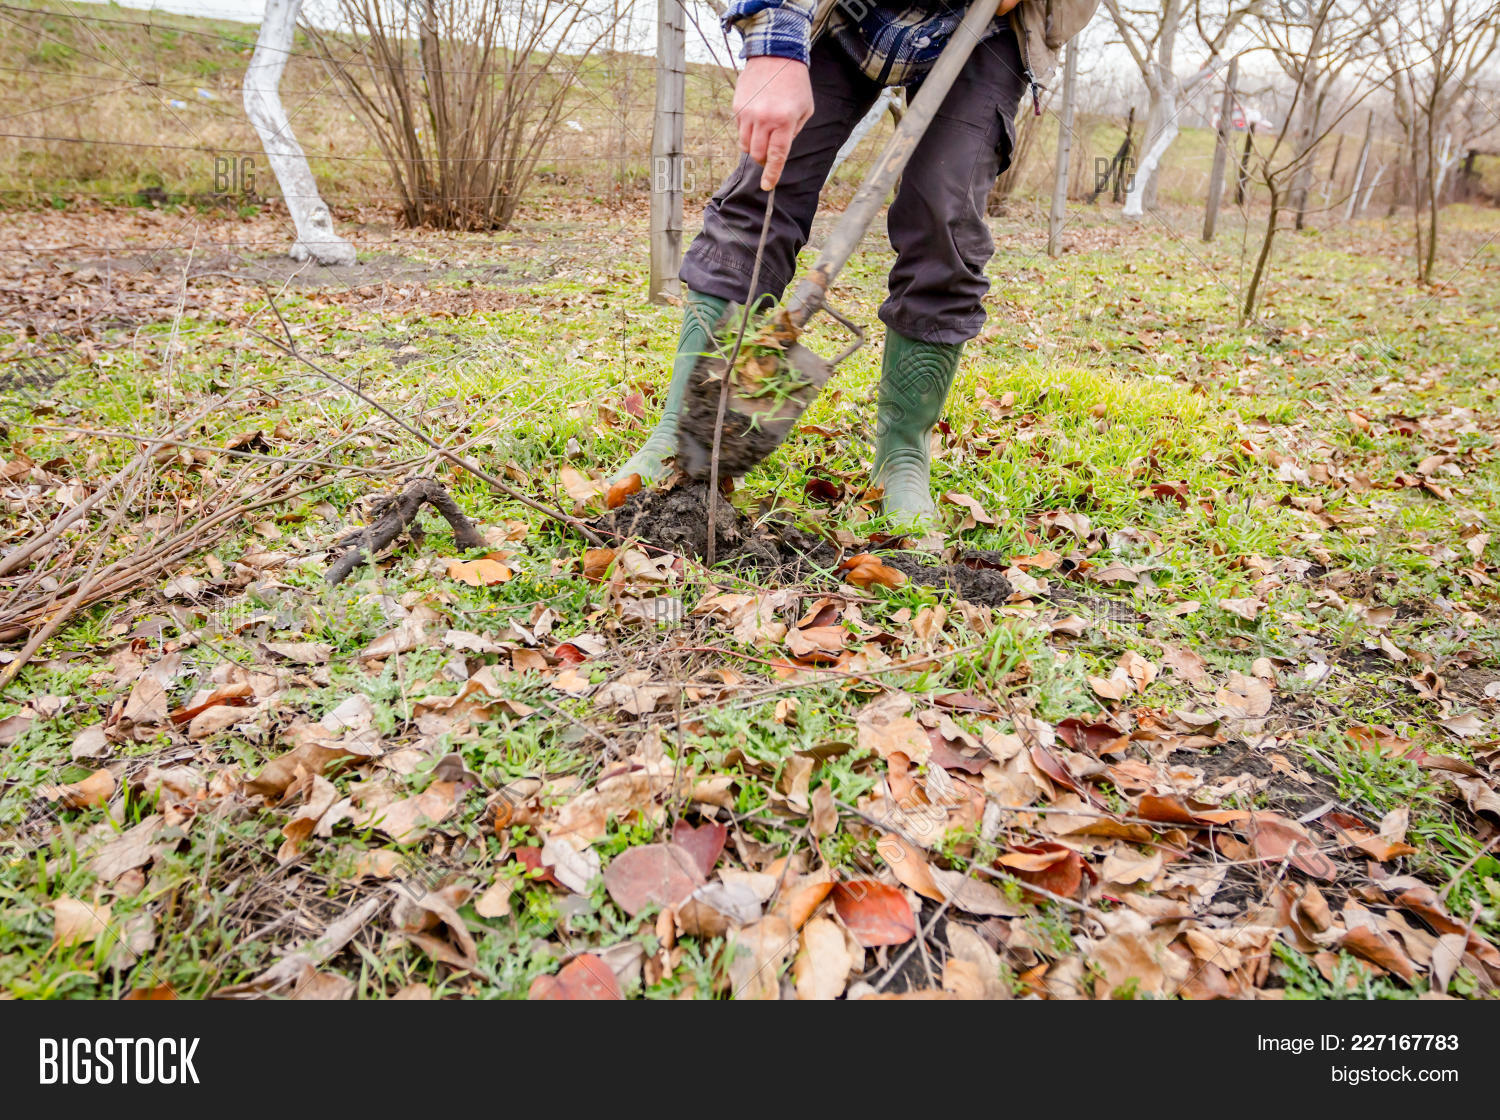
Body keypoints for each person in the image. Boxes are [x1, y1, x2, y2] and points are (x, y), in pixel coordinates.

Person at [614, 0, 1098, 527]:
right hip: (844, 14)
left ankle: (902, 455)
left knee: (946, 213)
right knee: (766, 184)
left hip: (985, 32)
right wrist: (774, 44)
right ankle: (680, 429)